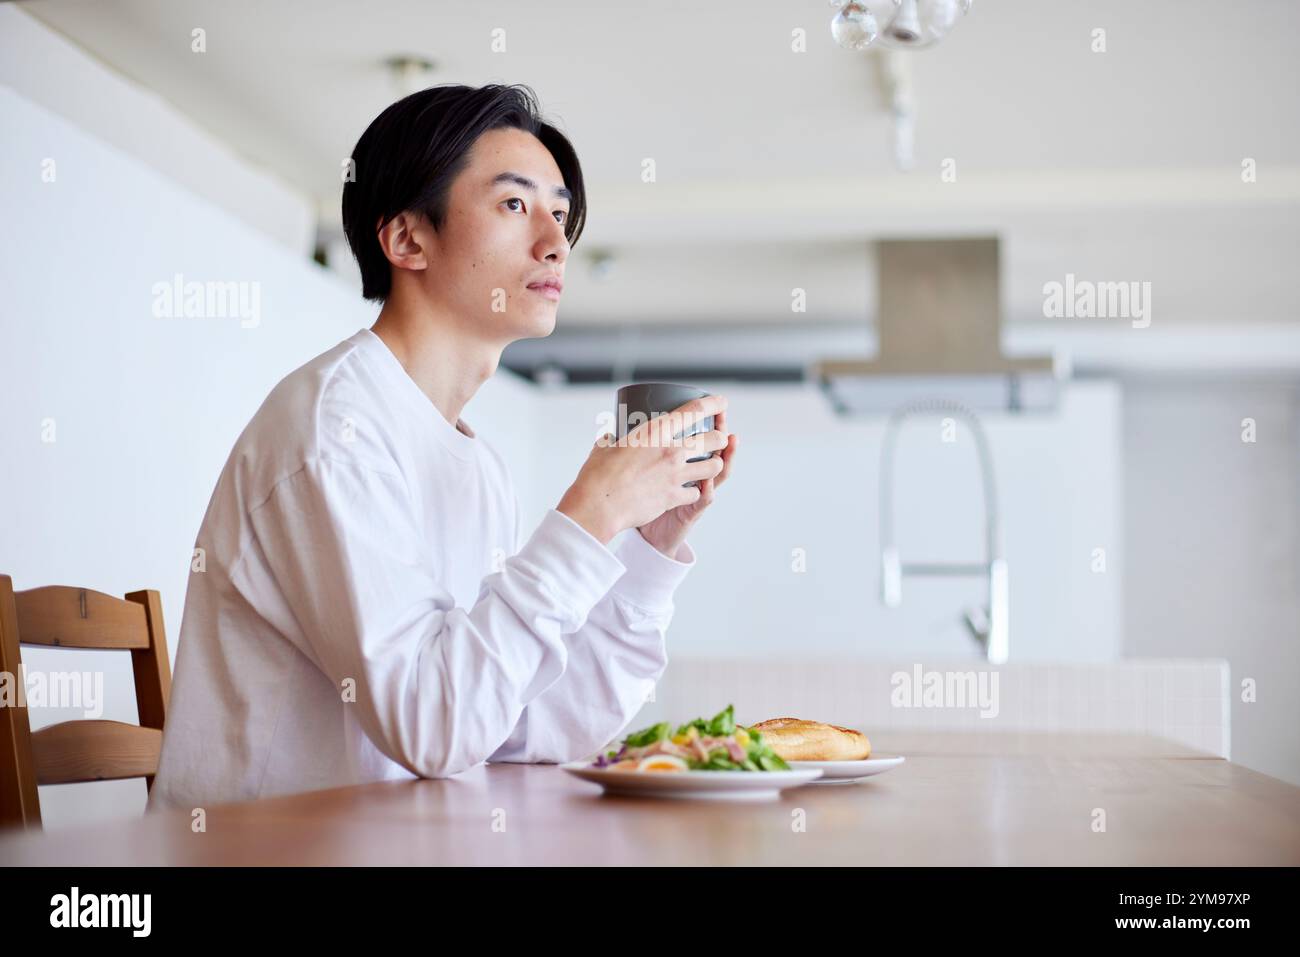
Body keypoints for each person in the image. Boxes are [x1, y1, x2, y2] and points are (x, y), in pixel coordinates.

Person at [148, 83, 736, 809]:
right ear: (406, 239)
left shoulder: (478, 468)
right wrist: (586, 515)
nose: (555, 240)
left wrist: (646, 550)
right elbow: (436, 728)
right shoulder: (337, 429)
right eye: (516, 205)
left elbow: (523, 724)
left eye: (559, 212)